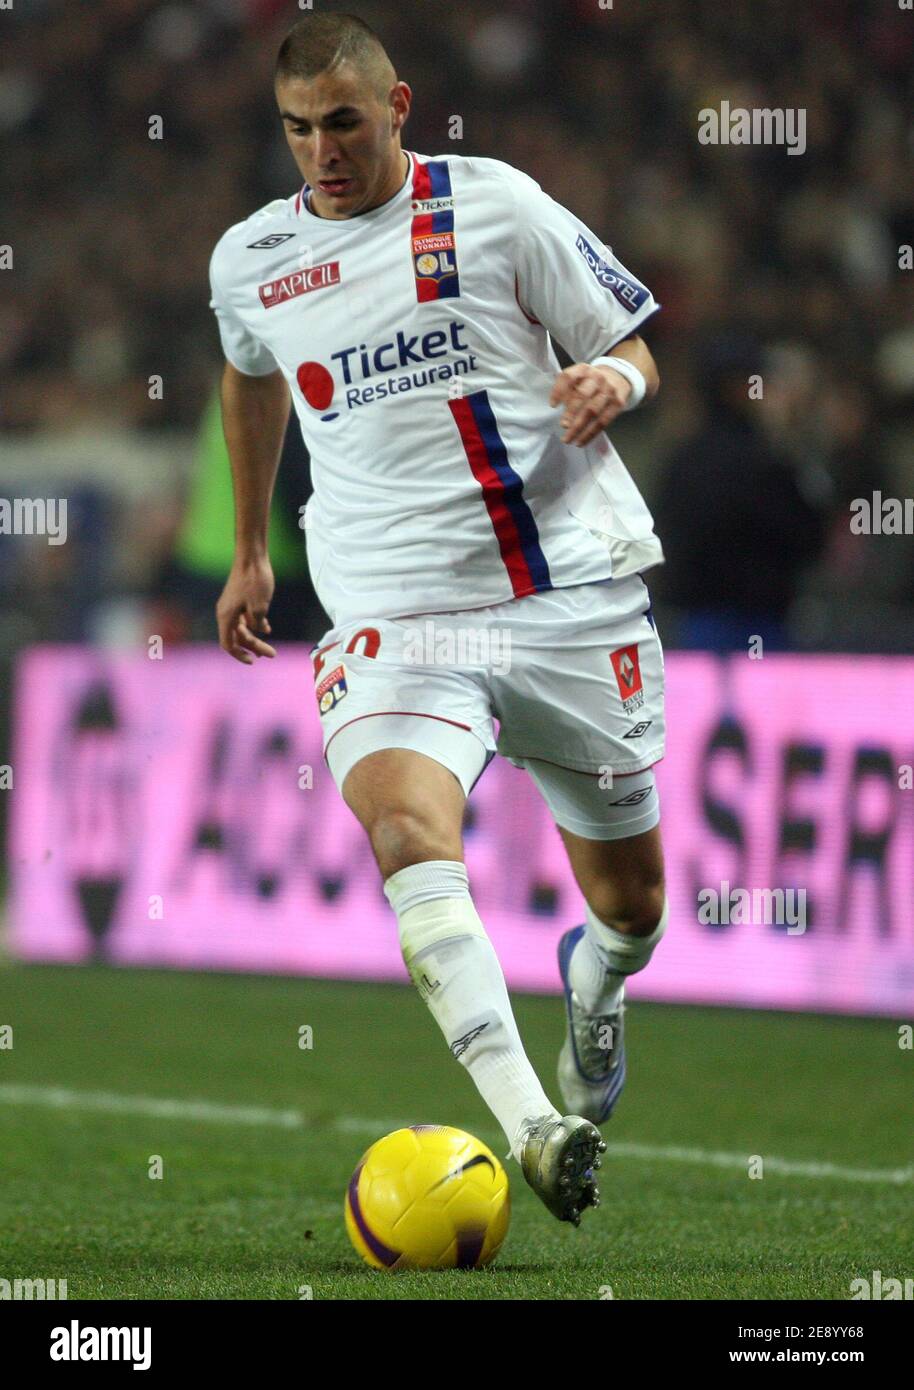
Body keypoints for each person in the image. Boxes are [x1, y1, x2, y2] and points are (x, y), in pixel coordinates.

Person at [210, 12, 668, 1227]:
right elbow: (249, 369)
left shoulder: (500, 206)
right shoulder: (249, 258)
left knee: (631, 906)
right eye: (298, 130)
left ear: (399, 105)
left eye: (343, 123)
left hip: (561, 594)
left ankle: (597, 982)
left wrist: (607, 380)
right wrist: (255, 548)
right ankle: (532, 1126)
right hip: (389, 612)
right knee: (408, 829)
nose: (321, 152)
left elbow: (628, 341)